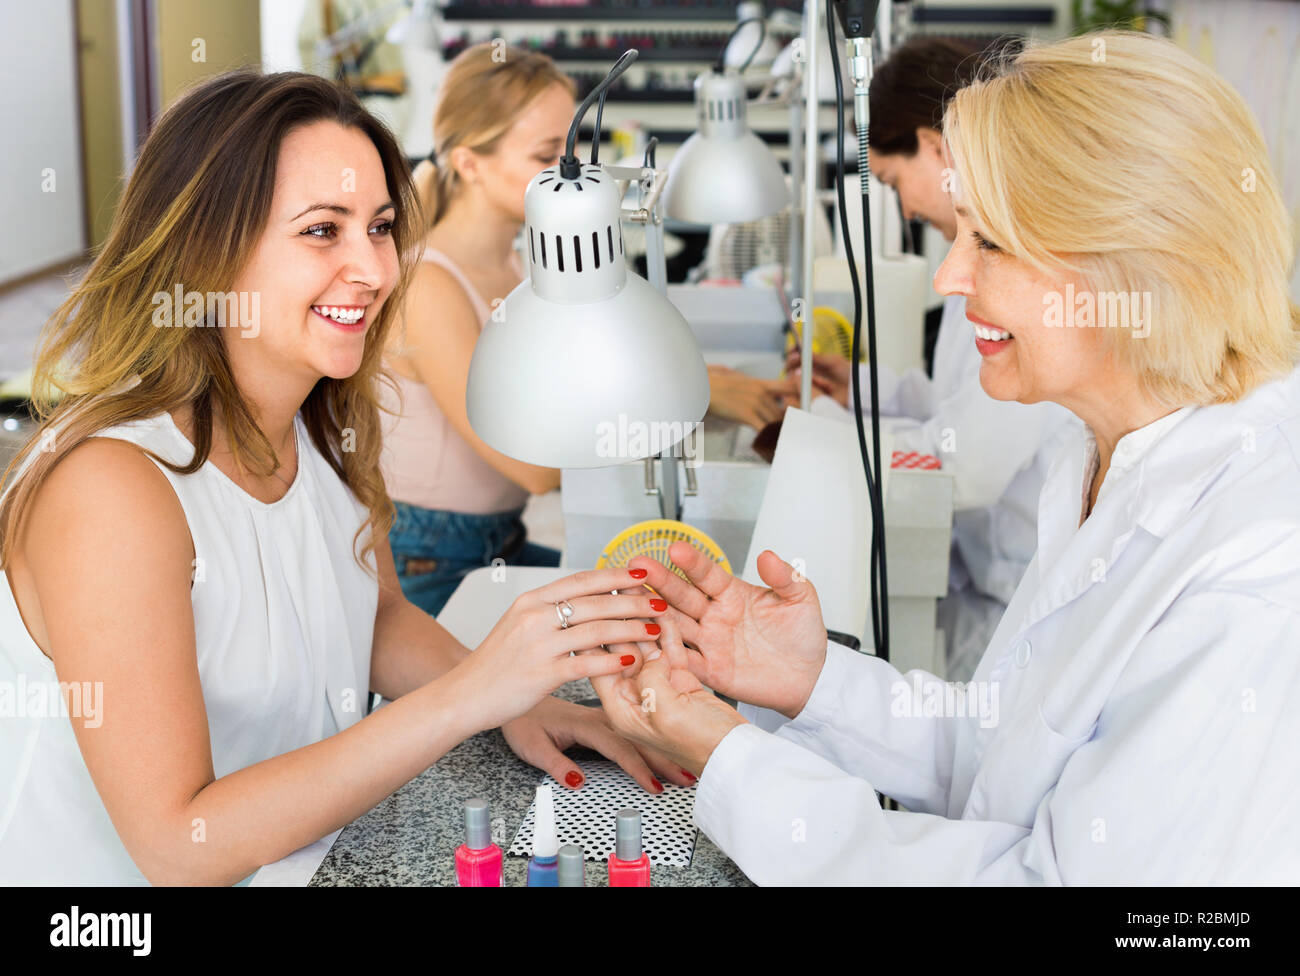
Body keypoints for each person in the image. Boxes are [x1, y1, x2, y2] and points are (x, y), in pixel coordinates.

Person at [589, 30, 1300, 883]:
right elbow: (1002, 752)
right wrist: (811, 679)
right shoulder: (1106, 455)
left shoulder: (1256, 567)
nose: (949, 277)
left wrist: (725, 750)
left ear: (1130, 264)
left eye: (988, 242)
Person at [0, 69, 682, 886]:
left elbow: (379, 617)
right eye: (323, 230)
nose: (374, 268)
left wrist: (519, 698)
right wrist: (471, 697)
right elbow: (178, 844)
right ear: (207, 252)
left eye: (382, 226)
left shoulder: (323, 425)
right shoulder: (111, 486)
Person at [383, 43, 795, 617]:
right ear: (470, 163)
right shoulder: (428, 289)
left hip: (497, 539)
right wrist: (689, 408)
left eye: (572, 150)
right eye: (546, 154)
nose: (568, 174)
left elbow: (585, 391)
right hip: (432, 562)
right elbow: (536, 466)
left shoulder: (525, 268)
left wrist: (708, 386)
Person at [786, 36, 1075, 683]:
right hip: (976, 574)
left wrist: (821, 437)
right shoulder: (968, 262)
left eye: (892, 183)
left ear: (936, 146)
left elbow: (965, 464)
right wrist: (855, 390)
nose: (907, 209)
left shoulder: (1027, 269)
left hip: (1014, 595)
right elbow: (951, 402)